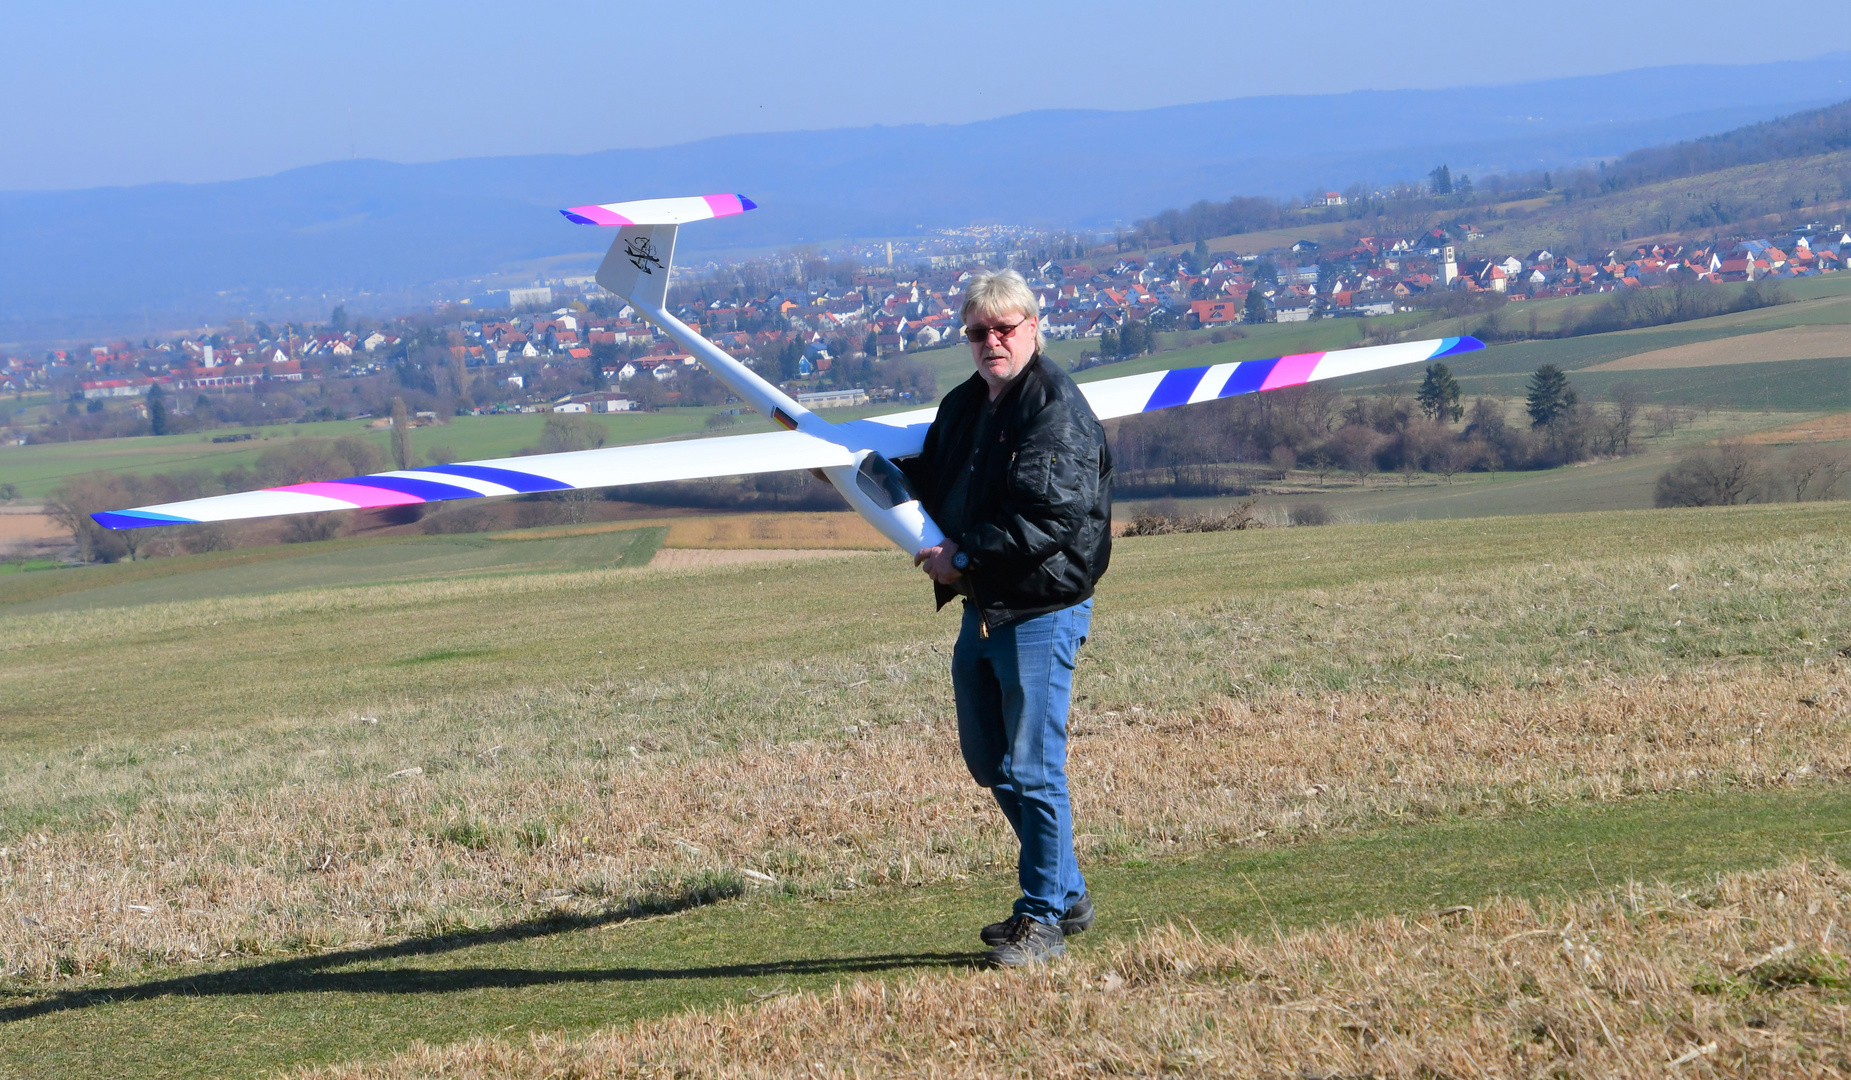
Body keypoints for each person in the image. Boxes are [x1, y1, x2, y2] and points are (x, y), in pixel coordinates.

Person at [906, 269, 1113, 967]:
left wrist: (961, 560)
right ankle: (1066, 890)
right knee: (988, 760)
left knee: (1032, 768)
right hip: (987, 605)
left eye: (1005, 327)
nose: (991, 341)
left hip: (1040, 604)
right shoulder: (968, 403)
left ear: (1032, 327)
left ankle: (1043, 919)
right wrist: (850, 473)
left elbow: (1049, 519)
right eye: (978, 331)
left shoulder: (1053, 410)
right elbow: (935, 473)